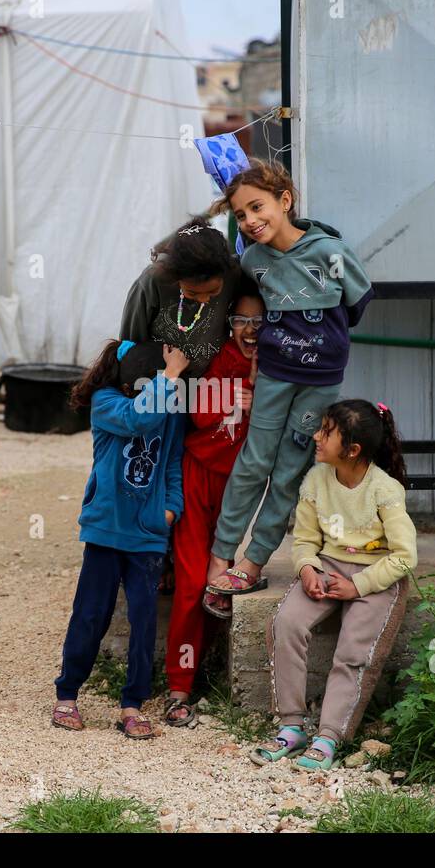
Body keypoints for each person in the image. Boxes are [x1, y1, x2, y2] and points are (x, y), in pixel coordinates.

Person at [203, 160, 374, 613]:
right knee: (254, 460)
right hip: (275, 375)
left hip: (319, 382)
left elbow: (358, 301)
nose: (250, 220)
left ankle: (255, 561)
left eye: (257, 207)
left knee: (289, 469)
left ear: (285, 200)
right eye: (240, 215)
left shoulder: (329, 250)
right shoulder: (254, 261)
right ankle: (221, 555)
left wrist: (322, 342)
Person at [250, 400, 417, 770]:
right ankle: (291, 725)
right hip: (327, 566)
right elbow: (306, 540)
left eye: (326, 431)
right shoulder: (316, 481)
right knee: (286, 622)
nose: (316, 436)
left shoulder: (384, 490)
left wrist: (357, 586)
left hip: (376, 576)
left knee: (354, 651)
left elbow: (404, 556)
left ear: (352, 450)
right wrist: (307, 568)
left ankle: (329, 735)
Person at [52, 340, 187, 739]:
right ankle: (67, 694)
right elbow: (136, 421)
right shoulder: (107, 402)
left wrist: (169, 510)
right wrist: (172, 375)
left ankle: (132, 703)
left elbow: (173, 462)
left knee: (144, 620)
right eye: (142, 379)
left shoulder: (169, 409)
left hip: (147, 534)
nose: (146, 386)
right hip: (107, 528)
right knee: (91, 612)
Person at [162, 279, 264, 726]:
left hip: (242, 490)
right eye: (241, 320)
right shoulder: (218, 356)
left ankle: (212, 673)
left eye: (260, 321)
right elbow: (197, 416)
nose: (250, 330)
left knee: (219, 582)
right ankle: (179, 687)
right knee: (191, 584)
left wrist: (259, 391)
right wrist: (231, 395)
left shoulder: (278, 367)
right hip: (198, 478)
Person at [120, 216, 241, 381]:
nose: (204, 299)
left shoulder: (234, 275)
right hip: (158, 385)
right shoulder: (152, 281)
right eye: (192, 293)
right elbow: (129, 344)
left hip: (210, 383)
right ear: (175, 278)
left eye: (213, 291)